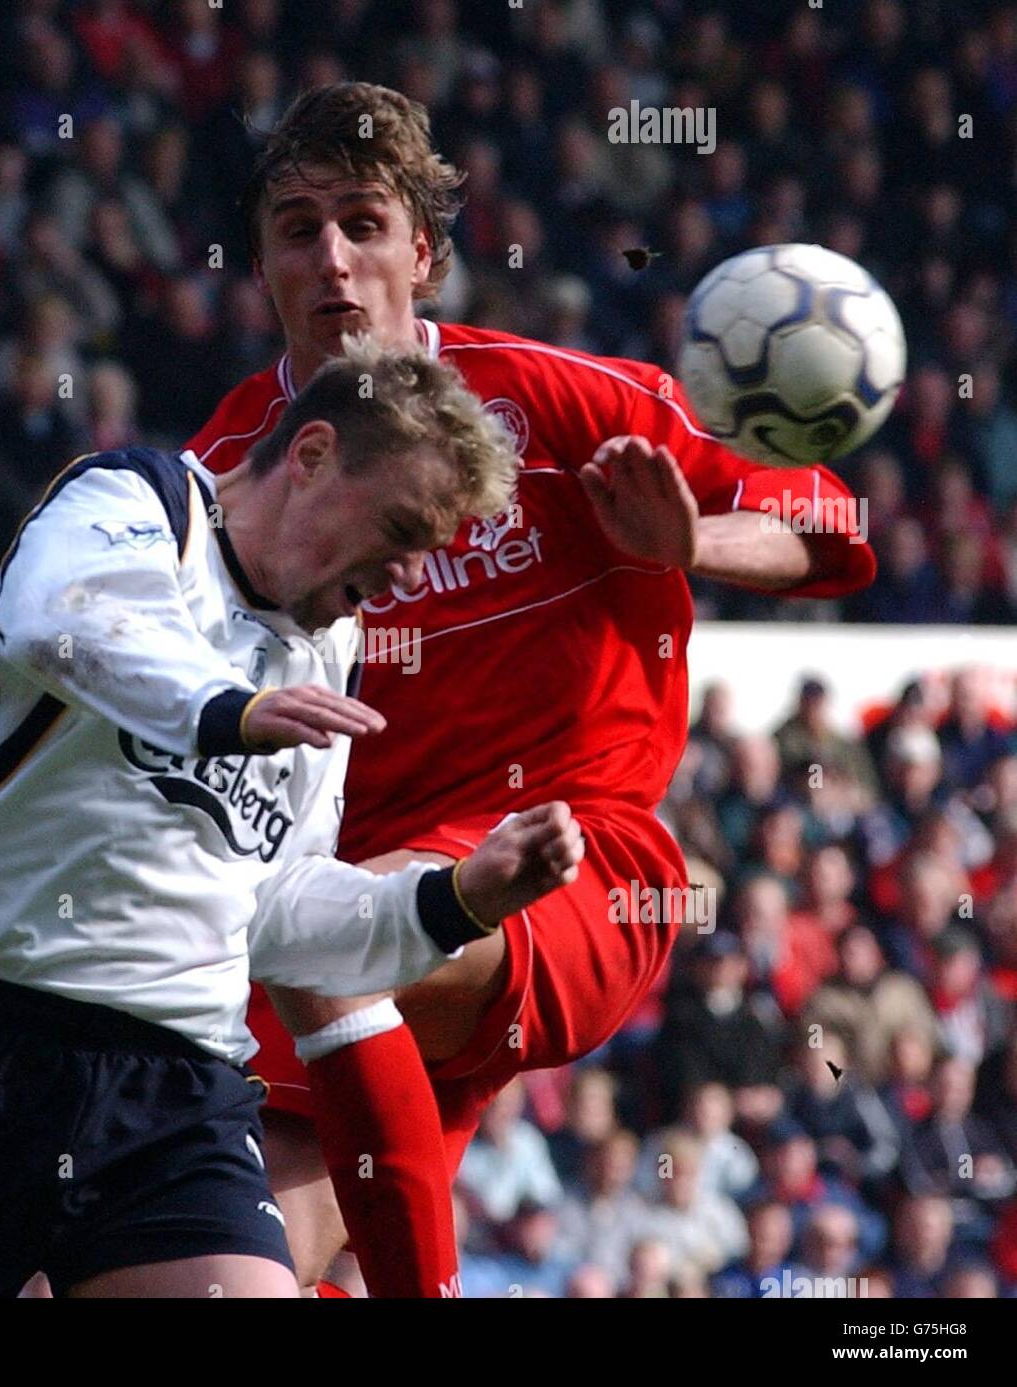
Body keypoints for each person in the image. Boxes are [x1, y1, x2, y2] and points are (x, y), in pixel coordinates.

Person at [186, 81, 876, 1298]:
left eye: (363, 224)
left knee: (344, 939)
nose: (333, 260)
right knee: (229, 1264)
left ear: (427, 255)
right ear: (260, 265)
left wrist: (689, 547)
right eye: (298, 229)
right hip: (321, 917)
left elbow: (827, 516)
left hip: (575, 867)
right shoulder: (218, 477)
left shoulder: (559, 401)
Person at [0, 337, 582, 1300]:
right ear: (311, 454)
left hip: (174, 1092)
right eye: (401, 528)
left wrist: (450, 901)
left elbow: (272, 907)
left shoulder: (329, 650)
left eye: (426, 551)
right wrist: (227, 712)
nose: (407, 577)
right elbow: (67, 624)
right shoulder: (132, 502)